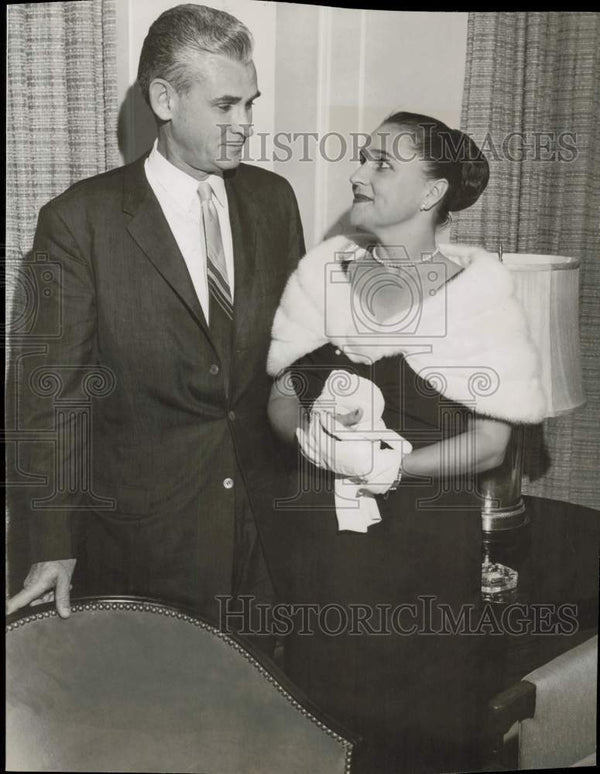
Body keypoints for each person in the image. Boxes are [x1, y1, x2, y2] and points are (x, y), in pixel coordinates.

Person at [7, 4, 304, 640]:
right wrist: (51, 543)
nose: (245, 124)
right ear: (165, 100)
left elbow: (293, 347)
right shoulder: (78, 222)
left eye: (250, 103)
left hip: (267, 535)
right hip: (146, 547)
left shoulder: (274, 200)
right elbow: (47, 400)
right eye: (226, 106)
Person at [266, 112, 547, 772]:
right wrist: (310, 440)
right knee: (323, 736)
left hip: (423, 570)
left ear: (431, 192)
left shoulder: (479, 294)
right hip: (329, 566)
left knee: (414, 742)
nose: (358, 174)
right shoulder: (327, 276)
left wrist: (388, 466)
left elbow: (490, 444)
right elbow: (280, 393)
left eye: (382, 164)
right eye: (361, 158)